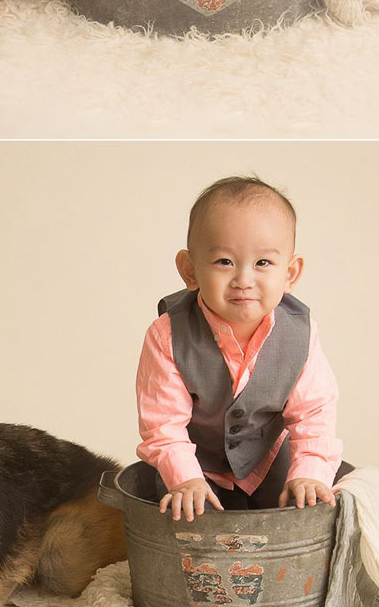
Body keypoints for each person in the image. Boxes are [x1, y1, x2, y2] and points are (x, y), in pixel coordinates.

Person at [136, 174, 349, 521]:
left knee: (304, 507)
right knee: (187, 514)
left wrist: (310, 472)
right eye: (224, 262)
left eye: (263, 263)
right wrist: (184, 478)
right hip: (195, 464)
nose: (244, 280)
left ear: (290, 273)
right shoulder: (168, 335)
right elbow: (163, 425)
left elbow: (314, 414)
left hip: (268, 460)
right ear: (190, 270)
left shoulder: (300, 334)